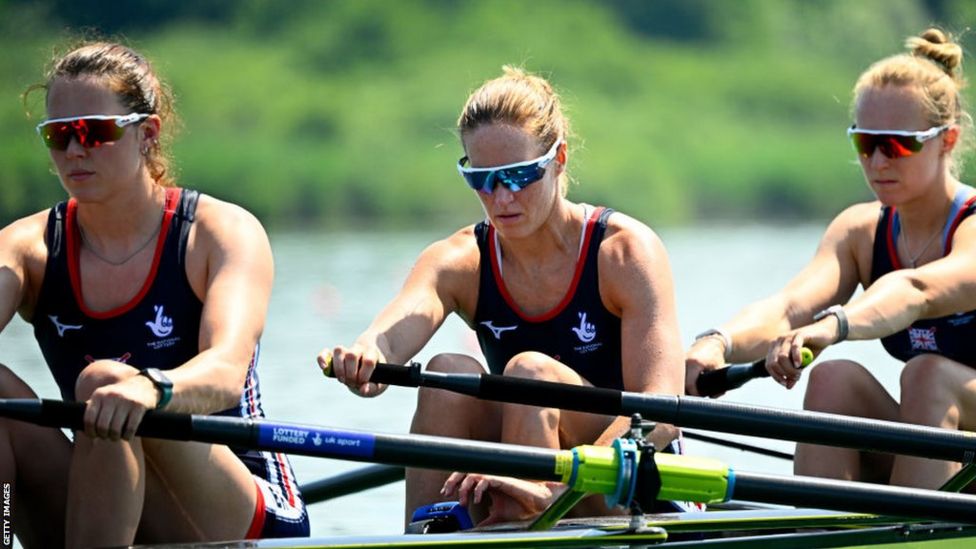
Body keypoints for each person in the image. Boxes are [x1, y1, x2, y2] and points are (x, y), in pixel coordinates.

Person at [320, 66, 686, 526]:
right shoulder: (461, 259)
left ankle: (522, 510)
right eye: (482, 179)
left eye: (518, 176)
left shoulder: (623, 252)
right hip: (528, 454)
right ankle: (429, 533)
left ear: (560, 159)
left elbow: (661, 412)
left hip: (629, 477)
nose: (500, 198)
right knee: (446, 376)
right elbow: (394, 331)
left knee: (530, 372)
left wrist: (558, 485)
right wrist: (367, 355)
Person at [1, 41, 308, 547]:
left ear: (148, 134)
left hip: (239, 505)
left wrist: (148, 389)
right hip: (105, 496)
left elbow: (227, 371)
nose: (74, 150)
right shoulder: (25, 246)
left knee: (103, 380)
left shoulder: (218, 232)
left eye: (94, 132)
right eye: (58, 135)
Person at [685, 28, 976, 489]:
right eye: (865, 143)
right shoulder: (862, 231)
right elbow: (789, 309)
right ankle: (823, 526)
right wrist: (717, 344)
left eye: (898, 144)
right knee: (832, 378)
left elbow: (916, 291)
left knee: (928, 376)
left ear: (947, 139)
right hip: (953, 452)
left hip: (956, 416)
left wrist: (834, 326)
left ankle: (915, 534)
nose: (878, 162)